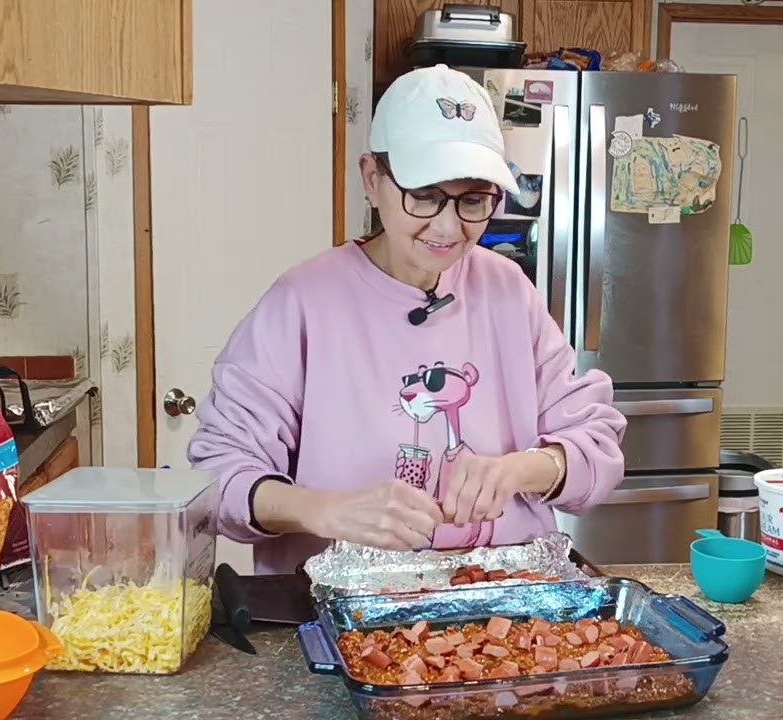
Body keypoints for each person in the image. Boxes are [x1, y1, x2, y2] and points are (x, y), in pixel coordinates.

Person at [188, 65, 626, 574]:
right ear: (372, 180)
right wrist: (325, 510)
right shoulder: (303, 302)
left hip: (502, 601)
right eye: (424, 195)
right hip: (338, 613)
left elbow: (596, 443)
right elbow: (216, 478)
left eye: (473, 201)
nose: (447, 226)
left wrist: (517, 471)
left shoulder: (509, 292)